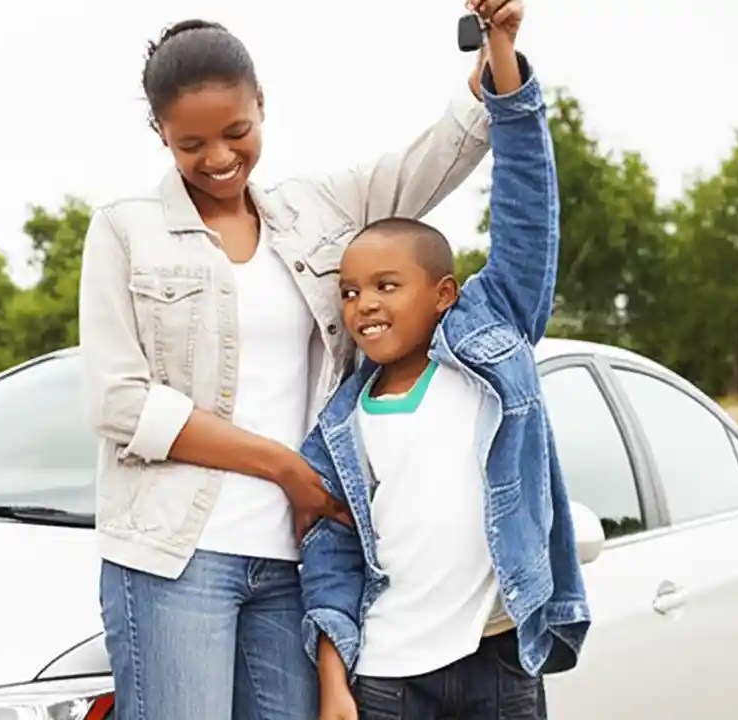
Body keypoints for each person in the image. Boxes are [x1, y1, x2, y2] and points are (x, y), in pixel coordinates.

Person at [77, 12, 495, 720]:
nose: (217, 158)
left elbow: (439, 156)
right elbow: (121, 405)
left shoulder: (316, 212)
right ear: (160, 135)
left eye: (236, 133)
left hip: (296, 562)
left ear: (261, 103)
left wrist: (500, 50)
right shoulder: (125, 230)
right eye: (190, 143)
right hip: (176, 556)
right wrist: (284, 469)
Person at [297, 3, 592, 719]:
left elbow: (526, 212)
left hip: (499, 666)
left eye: (386, 286)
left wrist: (502, 55)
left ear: (444, 295)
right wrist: (335, 682)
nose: (363, 304)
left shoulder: (493, 334)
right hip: (390, 681)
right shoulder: (342, 423)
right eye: (350, 291)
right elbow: (331, 554)